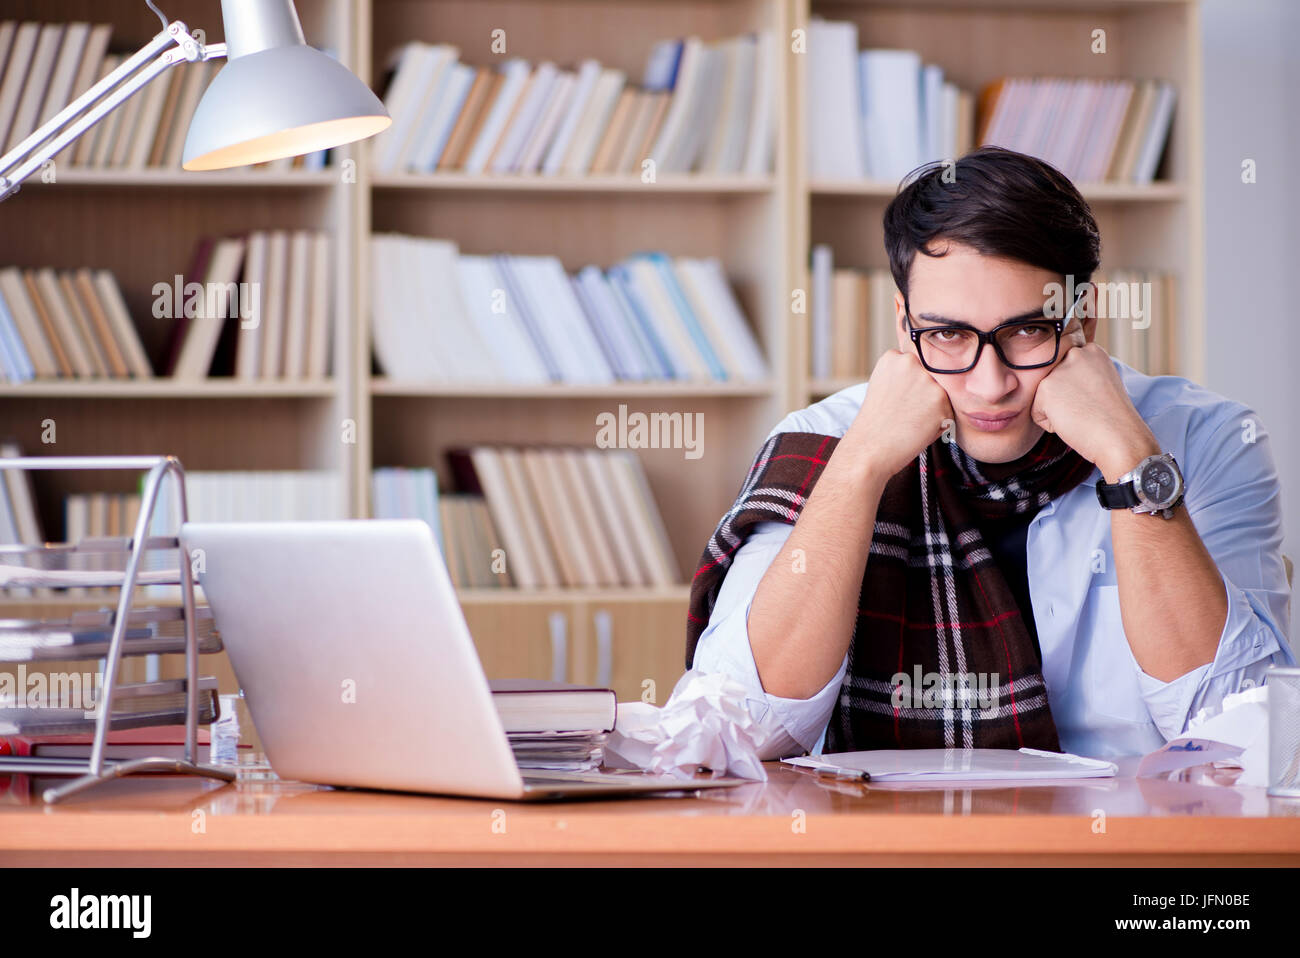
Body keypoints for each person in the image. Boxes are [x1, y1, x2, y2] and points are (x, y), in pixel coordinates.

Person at [686, 145, 1295, 760]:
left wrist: (1129, 457)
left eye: (1027, 330)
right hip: (883, 845)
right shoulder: (828, 439)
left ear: (1083, 321)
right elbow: (739, 728)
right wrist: (862, 465)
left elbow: (1239, 730)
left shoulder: (1206, 439)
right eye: (948, 335)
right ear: (904, 326)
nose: (989, 384)